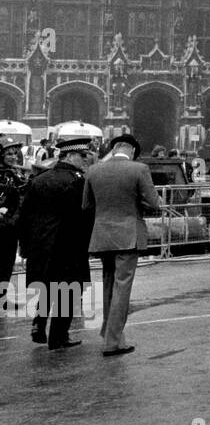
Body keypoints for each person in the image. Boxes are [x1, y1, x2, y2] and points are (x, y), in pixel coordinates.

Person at [83, 134, 161, 357]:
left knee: (108, 285)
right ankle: (113, 342)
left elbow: (86, 205)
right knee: (122, 288)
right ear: (133, 151)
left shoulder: (94, 170)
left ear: (114, 148)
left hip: (102, 235)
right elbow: (154, 203)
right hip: (128, 235)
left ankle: (108, 332)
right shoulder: (139, 169)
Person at [19, 136, 96, 350]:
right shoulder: (77, 182)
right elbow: (84, 216)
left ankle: (39, 321)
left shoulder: (39, 180)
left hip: (40, 245)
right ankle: (58, 337)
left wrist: (25, 247)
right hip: (68, 245)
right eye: (82, 155)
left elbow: (25, 216)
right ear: (70, 156)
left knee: (47, 286)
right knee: (68, 291)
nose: (86, 159)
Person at [0, 136, 28, 313]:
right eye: (8, 153)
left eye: (14, 153)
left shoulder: (15, 172)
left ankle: (2, 298)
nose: (13, 156)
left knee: (7, 264)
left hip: (12, 228)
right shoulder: (3, 175)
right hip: (3, 228)